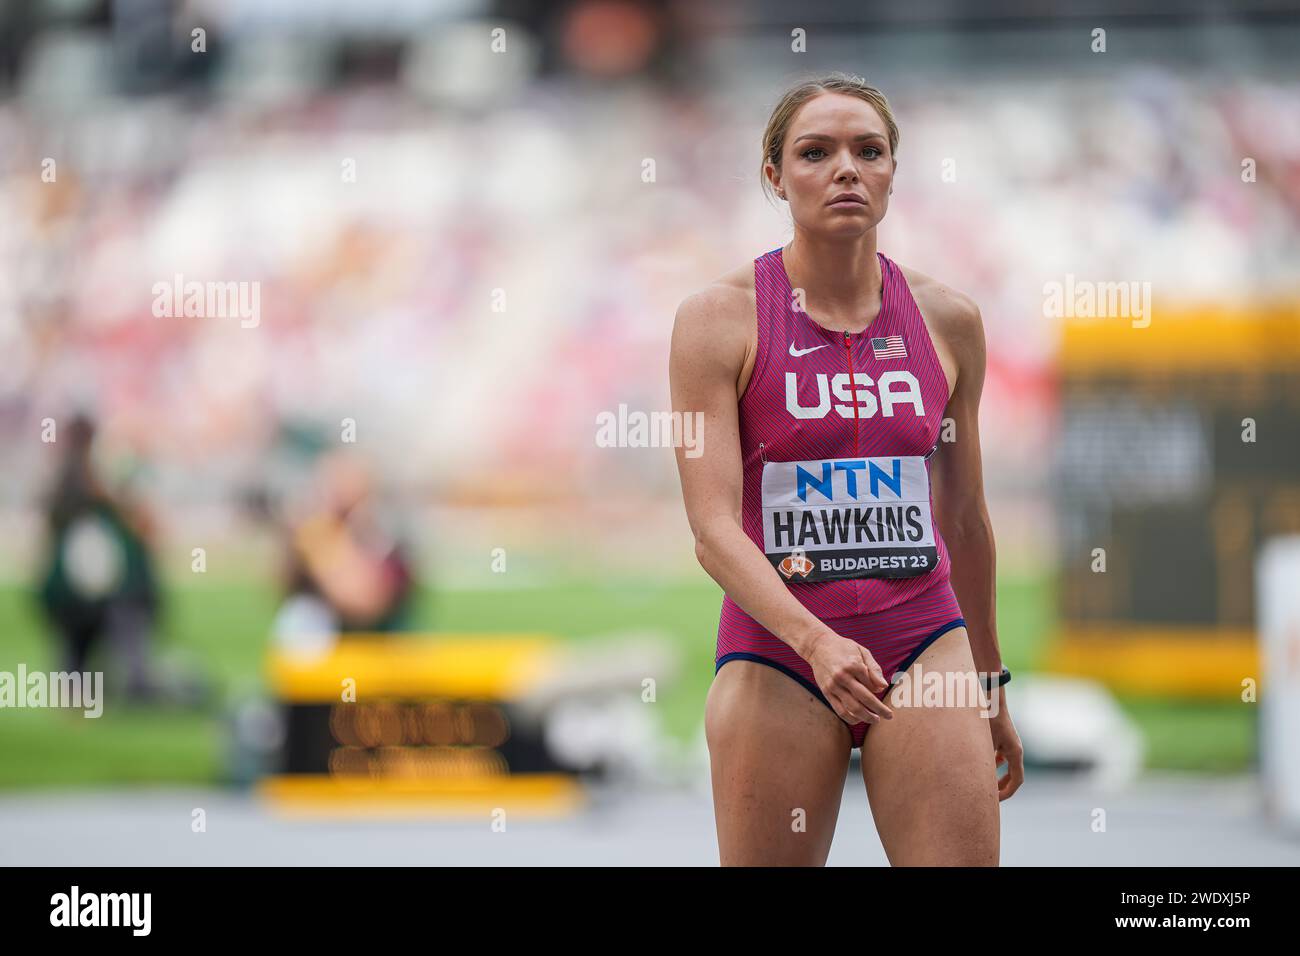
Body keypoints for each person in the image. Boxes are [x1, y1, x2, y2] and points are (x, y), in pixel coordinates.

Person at [669, 73, 1023, 866]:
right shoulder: (714, 321)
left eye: (869, 151)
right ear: (774, 176)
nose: (846, 170)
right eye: (815, 152)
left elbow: (964, 518)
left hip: (924, 642)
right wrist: (817, 643)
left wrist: (991, 685)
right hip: (780, 653)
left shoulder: (949, 319)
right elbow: (712, 528)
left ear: (893, 170)